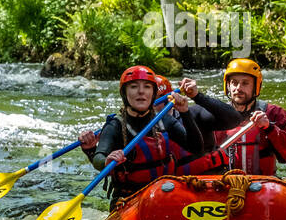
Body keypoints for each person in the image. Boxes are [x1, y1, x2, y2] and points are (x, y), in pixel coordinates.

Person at [77, 65, 202, 203]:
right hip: (129, 200)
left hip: (164, 195)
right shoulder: (115, 126)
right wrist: (107, 161)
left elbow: (196, 148)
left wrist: (185, 112)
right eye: (134, 86)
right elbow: (98, 158)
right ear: (125, 93)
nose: (141, 92)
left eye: (147, 87)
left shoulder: (164, 120)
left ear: (153, 93)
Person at [181, 59, 286, 176]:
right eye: (234, 82)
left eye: (245, 83)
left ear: (256, 86)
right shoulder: (211, 116)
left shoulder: (275, 113)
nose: (238, 88)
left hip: (263, 185)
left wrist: (269, 128)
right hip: (224, 184)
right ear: (227, 85)